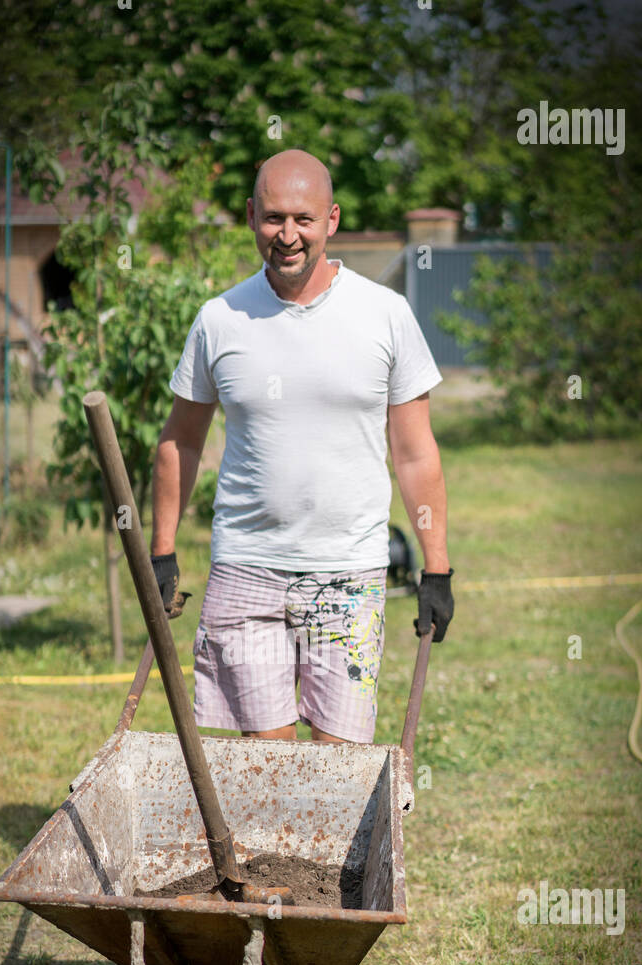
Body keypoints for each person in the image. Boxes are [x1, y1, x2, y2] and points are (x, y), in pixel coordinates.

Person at [150, 148, 453, 746]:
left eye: (303, 219)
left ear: (331, 220)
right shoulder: (220, 319)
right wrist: (161, 553)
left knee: (338, 770)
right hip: (246, 568)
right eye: (273, 218)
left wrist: (436, 567)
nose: (287, 235)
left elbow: (415, 453)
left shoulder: (384, 315)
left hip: (348, 572)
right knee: (267, 772)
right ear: (250, 217)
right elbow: (181, 442)